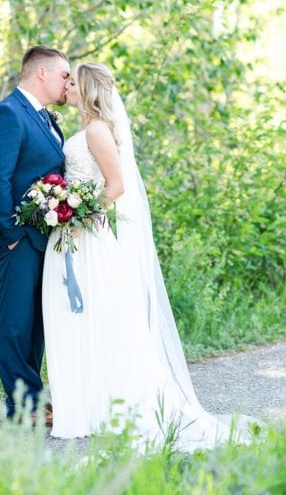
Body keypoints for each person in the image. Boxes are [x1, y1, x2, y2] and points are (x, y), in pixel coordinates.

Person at [42, 62, 255, 449]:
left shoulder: (96, 130)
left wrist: (77, 216)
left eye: (73, 80)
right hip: (73, 234)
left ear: (87, 88)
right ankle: (87, 403)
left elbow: (117, 185)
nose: (67, 85)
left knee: (97, 316)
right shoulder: (87, 127)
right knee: (80, 319)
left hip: (88, 238)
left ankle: (106, 405)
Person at [0, 46, 69, 421]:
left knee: (36, 321)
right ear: (42, 74)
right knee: (15, 322)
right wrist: (11, 233)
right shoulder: (7, 114)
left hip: (43, 236)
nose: (69, 83)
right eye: (65, 75)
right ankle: (21, 405)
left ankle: (33, 396)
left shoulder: (47, 118)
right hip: (17, 237)